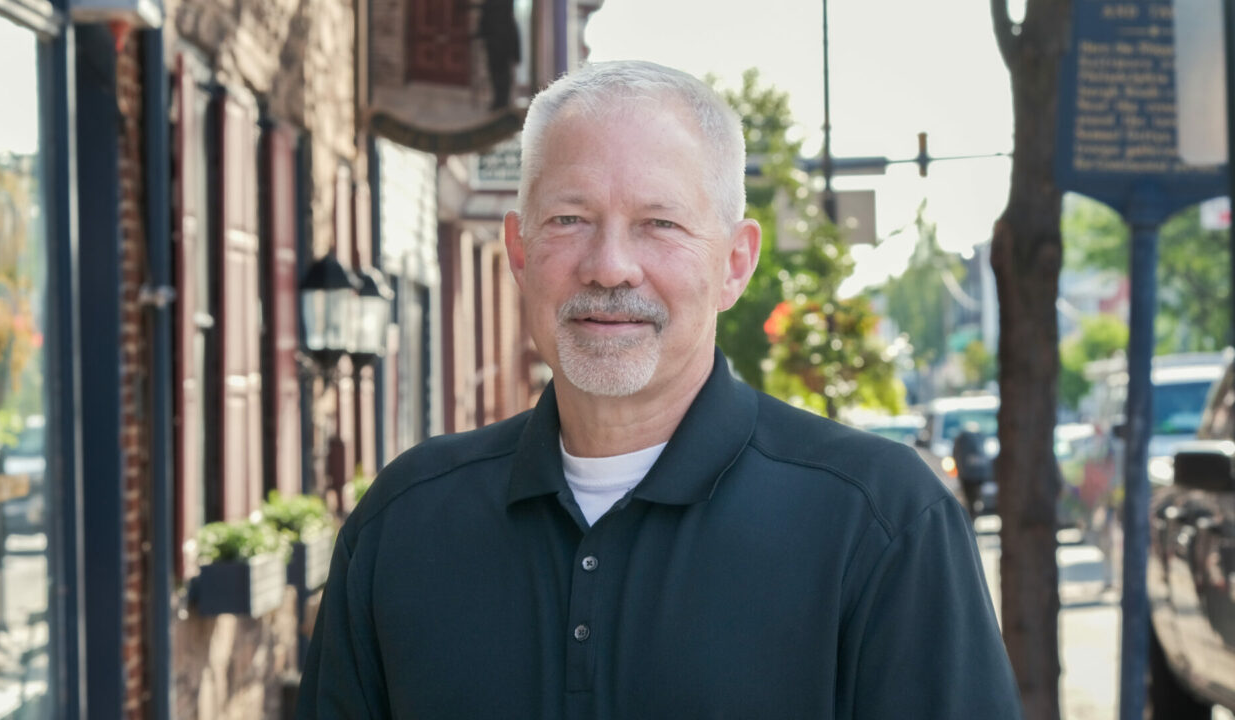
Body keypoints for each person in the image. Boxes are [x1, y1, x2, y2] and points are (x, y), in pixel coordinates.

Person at [296, 60, 1023, 719]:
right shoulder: (402, 525)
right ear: (520, 251)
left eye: (659, 224)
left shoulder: (881, 523)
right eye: (570, 220)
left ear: (735, 263)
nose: (610, 267)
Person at [952, 421, 991, 518]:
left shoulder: (961, 439)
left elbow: (955, 455)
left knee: (968, 500)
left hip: (966, 475)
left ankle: (970, 518)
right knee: (976, 498)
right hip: (979, 474)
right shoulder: (980, 437)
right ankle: (974, 515)